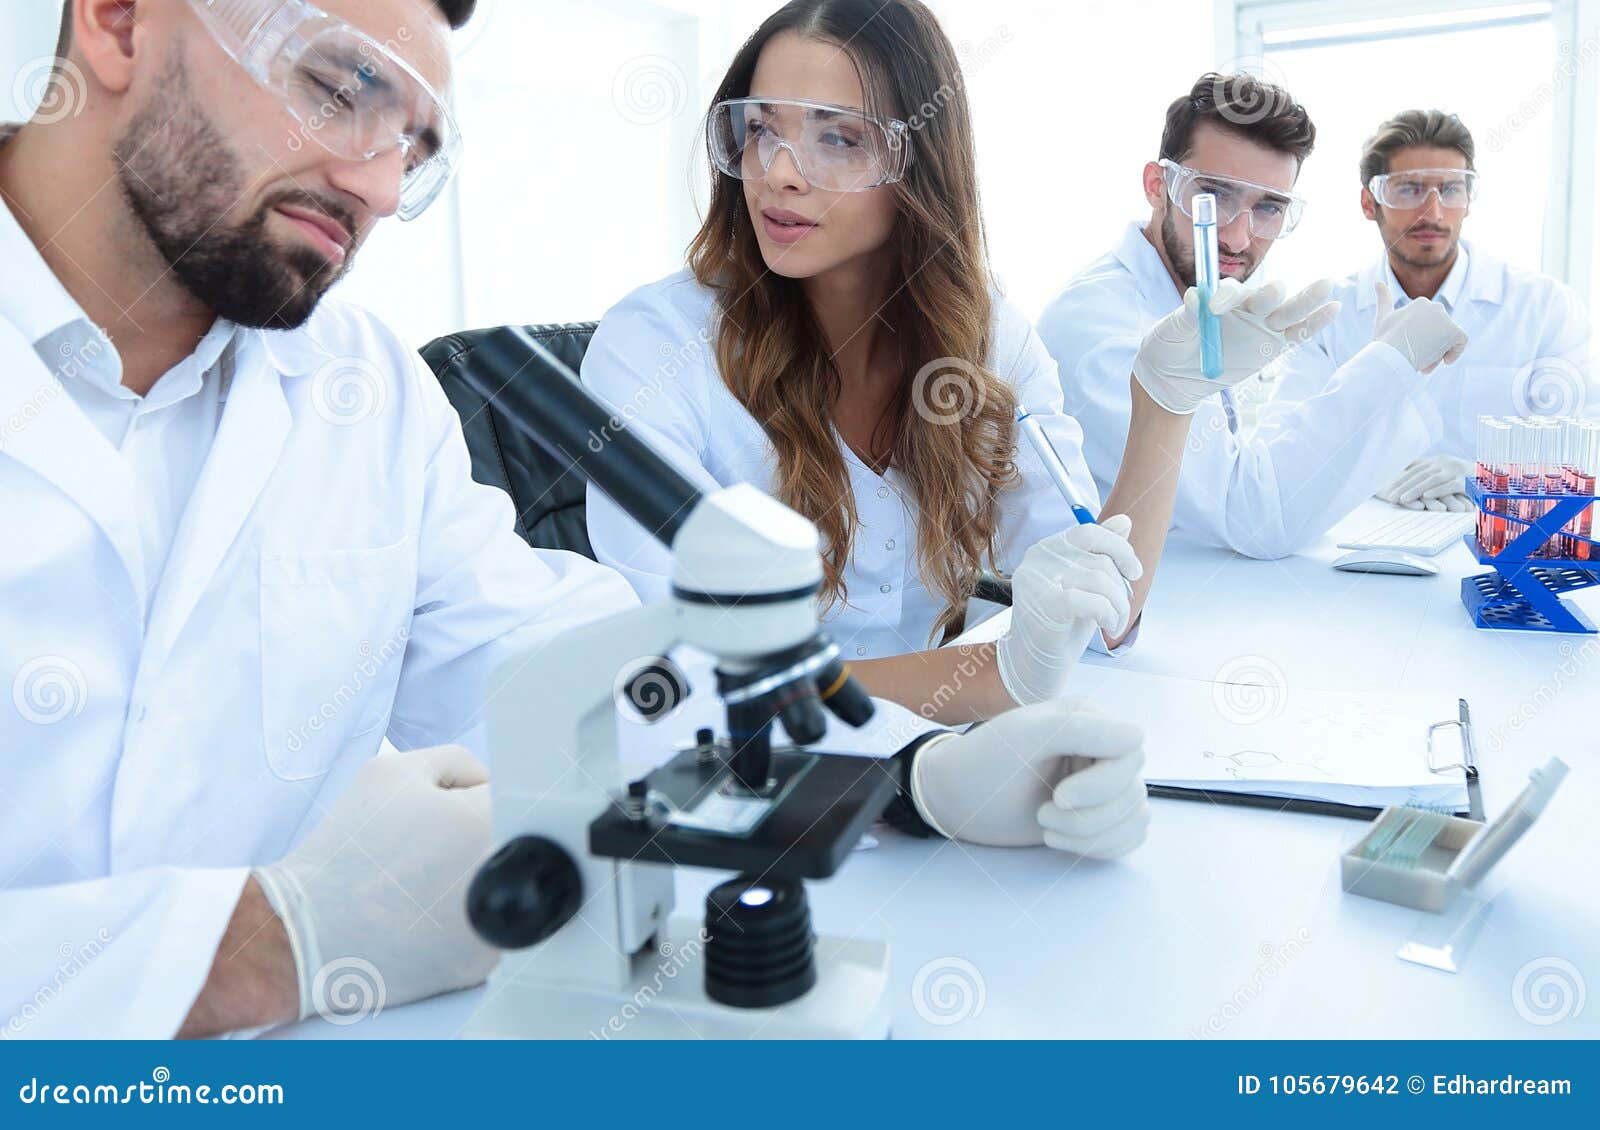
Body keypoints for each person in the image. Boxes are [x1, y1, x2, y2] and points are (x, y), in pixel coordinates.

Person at [0, 0, 643, 1039]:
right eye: (340, 88)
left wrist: (866, 738)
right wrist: (262, 945)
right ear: (118, 23)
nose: (380, 189)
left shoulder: (364, 387)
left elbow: (551, 675)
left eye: (413, 149)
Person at [581, 0, 1335, 727]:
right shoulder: (655, 346)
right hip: (736, 786)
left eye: (838, 138)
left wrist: (1164, 406)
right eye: (760, 129)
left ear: (921, 161)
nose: (779, 171)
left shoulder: (989, 335)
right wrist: (993, 680)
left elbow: (1103, 613)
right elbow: (679, 687)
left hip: (933, 762)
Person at [1039, 74, 1471, 560]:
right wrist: (1387, 369)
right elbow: (1255, 517)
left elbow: (1254, 466)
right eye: (1214, 196)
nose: (1238, 238)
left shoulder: (1197, 304)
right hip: (1108, 604)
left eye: (1268, 206)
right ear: (1157, 186)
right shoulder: (1100, 327)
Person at [1272, 110, 1594, 512]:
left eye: (1450, 189)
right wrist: (1368, 477)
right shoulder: (1327, 314)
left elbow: (1586, 444)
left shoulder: (1544, 308)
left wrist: (1489, 476)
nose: (1433, 213)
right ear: (1370, 202)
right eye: (1409, 189)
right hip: (1357, 532)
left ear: (1469, 199)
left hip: (1495, 536)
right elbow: (1285, 443)